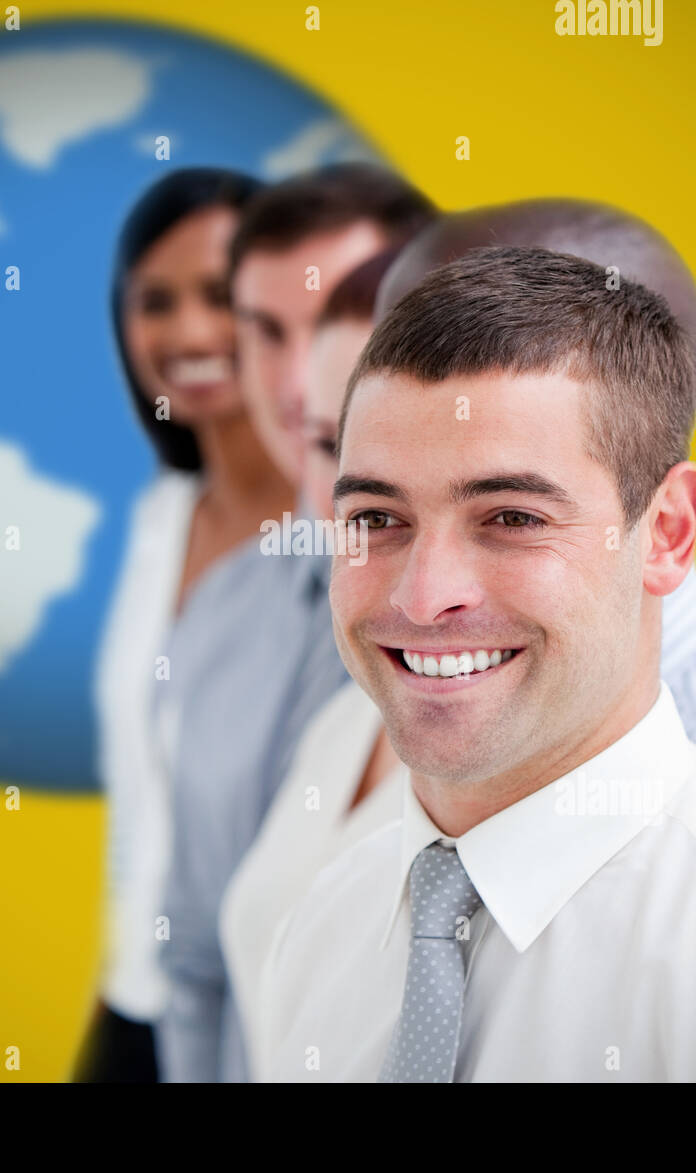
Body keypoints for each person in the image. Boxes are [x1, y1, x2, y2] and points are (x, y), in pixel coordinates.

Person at [223, 199, 696, 1078]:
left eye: (510, 517)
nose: (425, 596)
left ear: (668, 532)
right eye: (377, 517)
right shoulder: (322, 927)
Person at [155, 164, 436, 1083]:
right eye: (263, 331)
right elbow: (198, 953)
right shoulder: (224, 610)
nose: (288, 378)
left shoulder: (503, 635)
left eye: (330, 322)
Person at [75, 167, 292, 1082]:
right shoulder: (160, 519)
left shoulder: (344, 543)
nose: (191, 332)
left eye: (222, 296)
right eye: (155, 301)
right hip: (136, 1002)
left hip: (270, 1025)